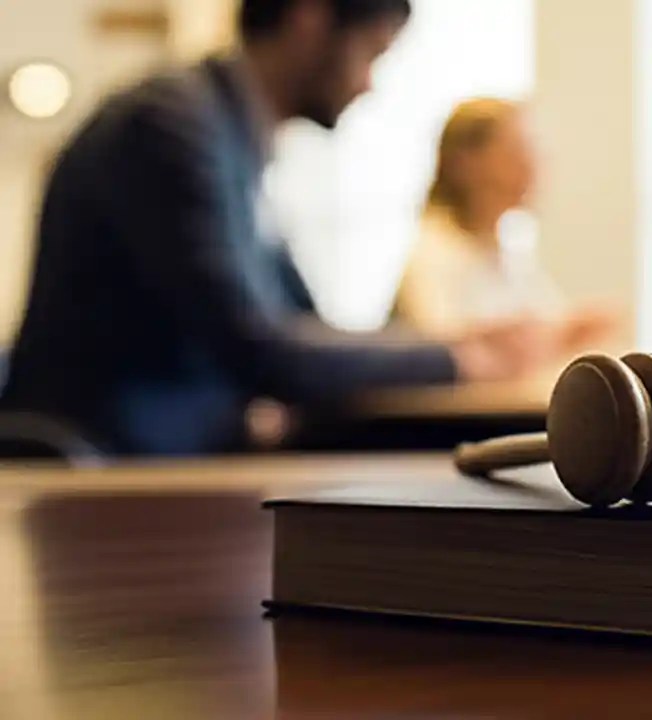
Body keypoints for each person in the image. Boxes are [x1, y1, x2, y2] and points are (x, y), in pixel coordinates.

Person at [2, 0, 551, 456]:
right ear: (309, 20)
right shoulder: (169, 127)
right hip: (117, 463)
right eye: (371, 54)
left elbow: (301, 324)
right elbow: (255, 346)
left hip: (176, 452)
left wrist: (454, 343)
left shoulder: (232, 134)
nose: (368, 85)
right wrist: (456, 360)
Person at [396, 98, 614, 355]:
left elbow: (546, 327)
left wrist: (569, 332)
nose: (533, 166)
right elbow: (446, 354)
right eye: (516, 151)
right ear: (465, 163)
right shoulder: (432, 254)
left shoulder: (507, 253)